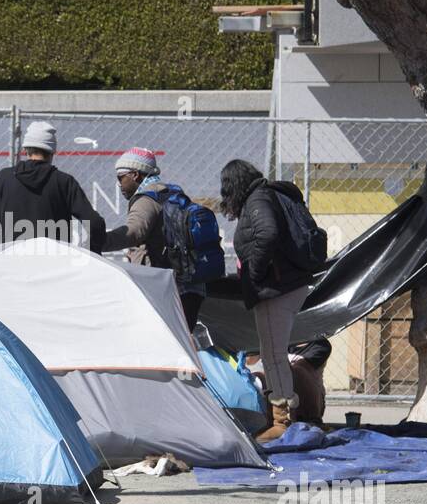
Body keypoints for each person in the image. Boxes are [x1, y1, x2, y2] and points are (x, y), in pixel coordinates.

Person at [220, 159, 315, 443]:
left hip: (277, 288)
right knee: (271, 351)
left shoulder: (258, 199)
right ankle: (282, 417)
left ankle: (282, 422)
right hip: (282, 286)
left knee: (273, 354)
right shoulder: (264, 195)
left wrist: (257, 274)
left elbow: (268, 233)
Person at [104, 147, 207, 330]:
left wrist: (98, 241)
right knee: (181, 345)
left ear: (135, 175)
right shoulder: (174, 194)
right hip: (192, 286)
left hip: (163, 288)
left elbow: (134, 231)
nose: (119, 184)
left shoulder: (147, 199)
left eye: (121, 177)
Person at [0, 120, 106, 251]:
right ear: (52, 151)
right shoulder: (64, 182)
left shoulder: (5, 177)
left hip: (13, 260)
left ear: (25, 149)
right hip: (52, 263)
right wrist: (94, 251)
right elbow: (94, 222)